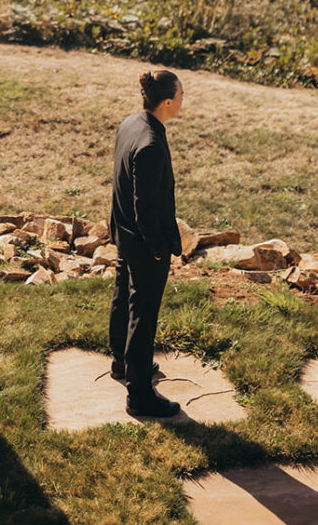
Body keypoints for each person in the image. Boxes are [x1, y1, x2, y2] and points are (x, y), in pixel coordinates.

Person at [108, 69, 183, 418]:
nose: (182, 101)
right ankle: (139, 396)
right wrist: (157, 249)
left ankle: (122, 364)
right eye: (180, 96)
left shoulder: (130, 124)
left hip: (123, 231)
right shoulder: (151, 144)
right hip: (143, 242)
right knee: (143, 312)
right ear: (166, 102)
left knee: (122, 295)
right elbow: (146, 207)